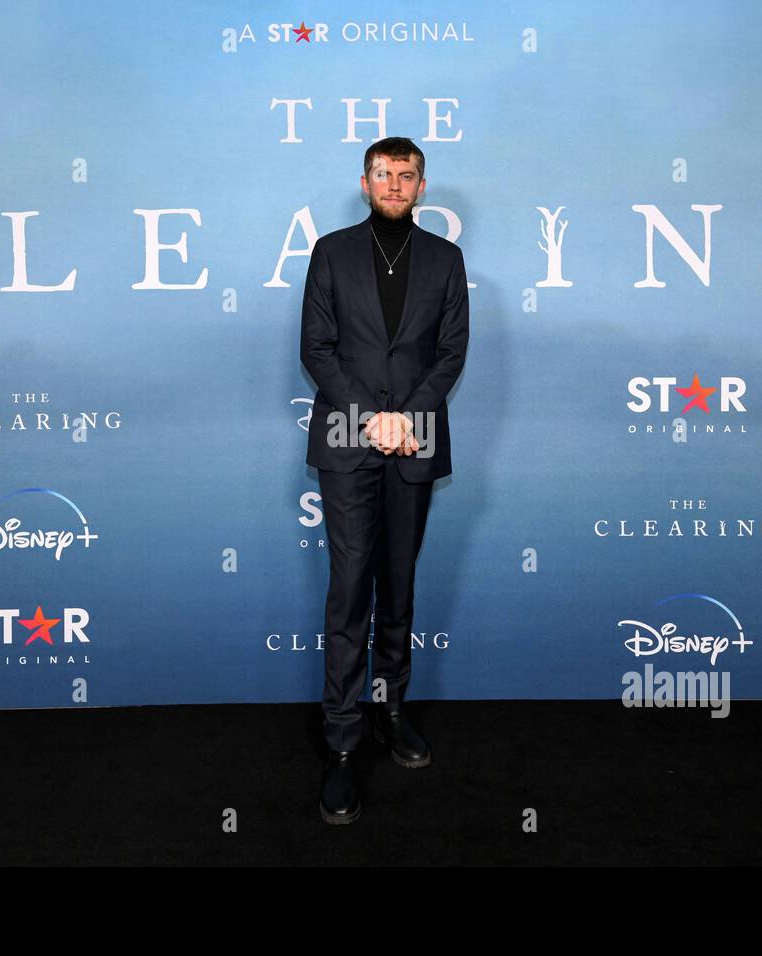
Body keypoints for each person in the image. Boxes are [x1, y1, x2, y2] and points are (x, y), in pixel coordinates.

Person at [299, 136, 470, 825]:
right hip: (350, 438)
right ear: (364, 183)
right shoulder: (332, 252)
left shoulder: (446, 260)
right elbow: (317, 349)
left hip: (418, 437)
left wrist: (409, 419)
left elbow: (451, 354)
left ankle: (390, 713)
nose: (395, 184)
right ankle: (342, 746)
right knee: (349, 593)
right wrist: (374, 419)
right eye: (383, 175)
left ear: (422, 186)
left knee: (398, 584)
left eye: (407, 175)